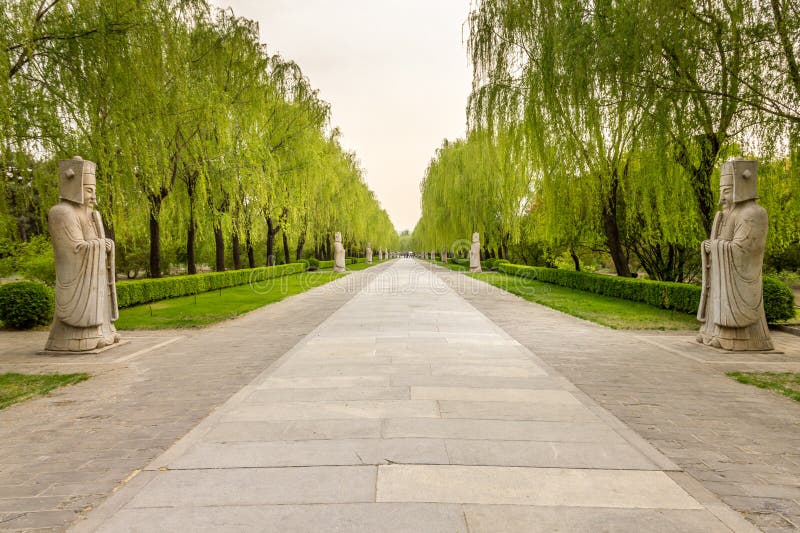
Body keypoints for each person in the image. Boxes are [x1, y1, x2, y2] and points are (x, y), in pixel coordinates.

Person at [45, 157, 121, 352]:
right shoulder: (61, 213)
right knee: (92, 282)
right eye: (89, 190)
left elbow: (93, 242)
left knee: (99, 287)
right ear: (75, 188)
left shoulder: (91, 214)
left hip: (95, 273)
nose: (93, 197)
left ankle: (104, 330)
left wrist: (105, 244)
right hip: (77, 276)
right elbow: (73, 250)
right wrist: (99, 246)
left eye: (94, 191)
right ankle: (79, 337)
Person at [697, 158, 773, 351]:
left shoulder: (754, 213)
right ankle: (713, 332)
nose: (722, 198)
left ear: (741, 188)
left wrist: (715, 247)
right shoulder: (727, 213)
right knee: (717, 294)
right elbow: (725, 242)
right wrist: (712, 245)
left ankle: (737, 338)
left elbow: (744, 249)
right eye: (721, 191)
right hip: (722, 271)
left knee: (730, 294)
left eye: (727, 191)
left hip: (741, 275)